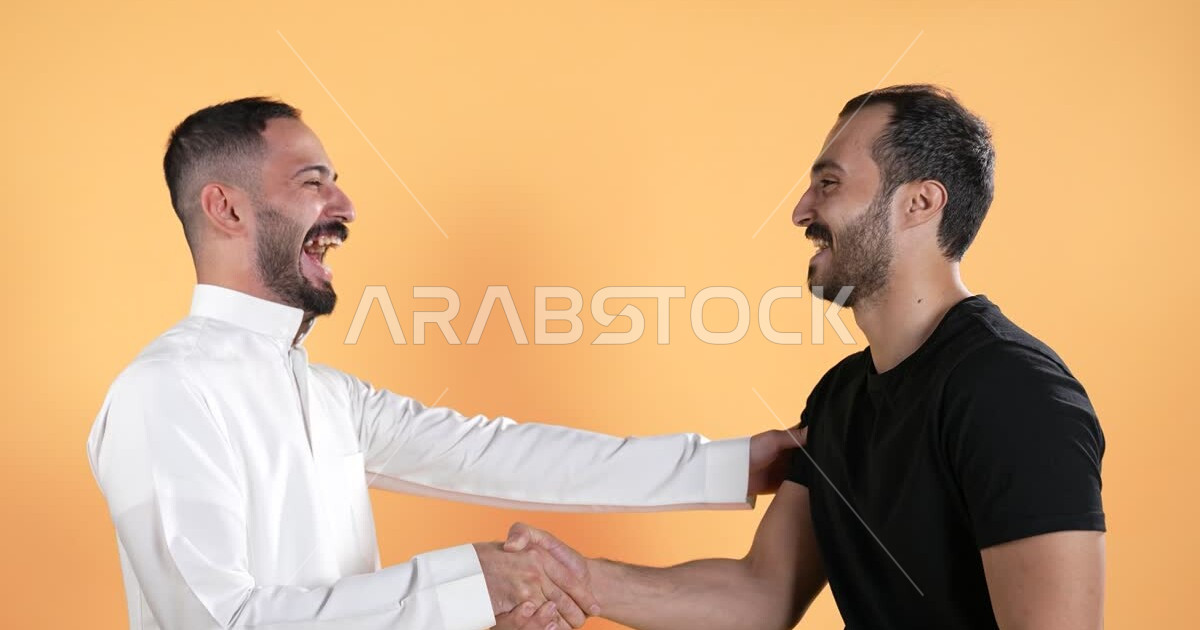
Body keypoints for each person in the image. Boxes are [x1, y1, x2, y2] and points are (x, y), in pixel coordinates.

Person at [86, 97, 802, 630]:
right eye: (312, 182)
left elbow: (501, 455)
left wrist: (737, 464)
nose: (345, 204)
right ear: (227, 210)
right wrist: (469, 585)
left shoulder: (327, 395)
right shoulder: (163, 392)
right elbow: (219, 622)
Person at [500, 85, 1106, 630]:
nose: (800, 211)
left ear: (919, 204)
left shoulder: (1013, 392)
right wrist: (579, 580)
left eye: (830, 183)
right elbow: (760, 595)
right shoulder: (842, 396)